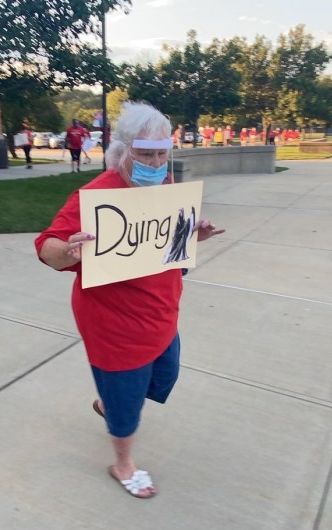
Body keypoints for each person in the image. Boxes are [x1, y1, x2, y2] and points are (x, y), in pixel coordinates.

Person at [35, 101, 225, 499]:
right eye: (145, 154)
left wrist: (195, 235)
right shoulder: (95, 196)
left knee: (163, 378)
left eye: (162, 154)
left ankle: (112, 403)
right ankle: (123, 462)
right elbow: (47, 248)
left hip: (162, 309)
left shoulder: (165, 186)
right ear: (123, 150)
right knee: (127, 404)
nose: (155, 163)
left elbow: (165, 243)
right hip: (114, 322)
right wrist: (68, 250)